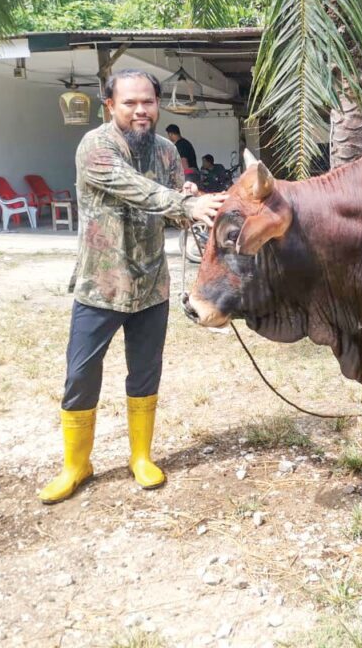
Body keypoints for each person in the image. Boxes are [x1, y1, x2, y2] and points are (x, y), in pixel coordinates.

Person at [39, 69, 226, 504]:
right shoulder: (95, 147)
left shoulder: (164, 150)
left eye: (148, 102)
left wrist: (191, 202)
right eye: (130, 103)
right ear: (110, 106)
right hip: (101, 286)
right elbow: (134, 189)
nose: (141, 110)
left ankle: (140, 457)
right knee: (81, 375)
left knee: (145, 372)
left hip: (151, 286)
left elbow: (173, 203)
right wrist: (183, 202)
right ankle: (76, 464)